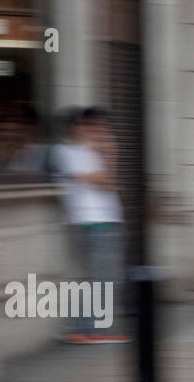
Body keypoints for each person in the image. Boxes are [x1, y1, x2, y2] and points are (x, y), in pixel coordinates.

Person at [52, 107, 129, 343]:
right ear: (80, 126)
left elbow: (109, 178)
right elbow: (103, 181)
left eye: (103, 127)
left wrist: (107, 153)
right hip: (90, 221)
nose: (101, 131)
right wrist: (104, 157)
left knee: (103, 277)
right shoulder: (66, 151)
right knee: (102, 278)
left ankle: (83, 328)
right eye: (95, 126)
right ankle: (88, 329)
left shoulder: (98, 150)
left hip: (107, 219)